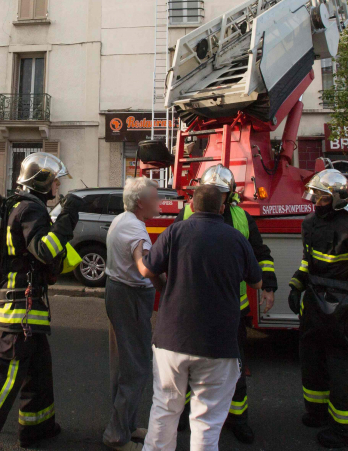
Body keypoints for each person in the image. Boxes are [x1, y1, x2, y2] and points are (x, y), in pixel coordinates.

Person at [0, 152, 84, 450]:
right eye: (55, 181)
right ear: (42, 182)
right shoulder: (30, 210)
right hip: (19, 313)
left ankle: (38, 428)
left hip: (24, 310)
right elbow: (45, 250)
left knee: (39, 373)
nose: (58, 187)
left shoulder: (17, 205)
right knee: (4, 380)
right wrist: (67, 217)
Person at [133, 184, 263, 451]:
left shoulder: (175, 231)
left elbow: (147, 270)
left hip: (172, 341)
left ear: (192, 206)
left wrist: (138, 254)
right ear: (223, 208)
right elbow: (258, 282)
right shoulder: (236, 238)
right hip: (218, 345)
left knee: (164, 409)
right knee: (206, 422)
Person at [173, 165, 276, 444]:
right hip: (194, 306)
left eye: (222, 193)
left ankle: (237, 418)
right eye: (213, 192)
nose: (217, 198)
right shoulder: (185, 214)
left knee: (235, 366)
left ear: (230, 195)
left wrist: (268, 286)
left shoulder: (242, 217)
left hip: (233, 308)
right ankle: (182, 412)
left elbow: (261, 253)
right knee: (187, 363)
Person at [287, 169, 348, 449]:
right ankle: (317, 412)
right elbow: (309, 262)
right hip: (315, 305)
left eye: (321, 197)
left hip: (345, 308)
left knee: (343, 368)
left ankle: (346, 429)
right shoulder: (309, 224)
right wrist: (296, 285)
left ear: (337, 198)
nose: (314, 202)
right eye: (314, 196)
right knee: (312, 360)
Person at [102, 177, 163, 451]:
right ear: (141, 202)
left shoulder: (123, 219)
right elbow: (144, 268)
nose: (159, 202)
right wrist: (168, 289)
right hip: (131, 298)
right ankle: (117, 437)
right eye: (155, 197)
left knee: (124, 366)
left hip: (118, 293)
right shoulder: (137, 231)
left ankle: (126, 425)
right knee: (136, 368)